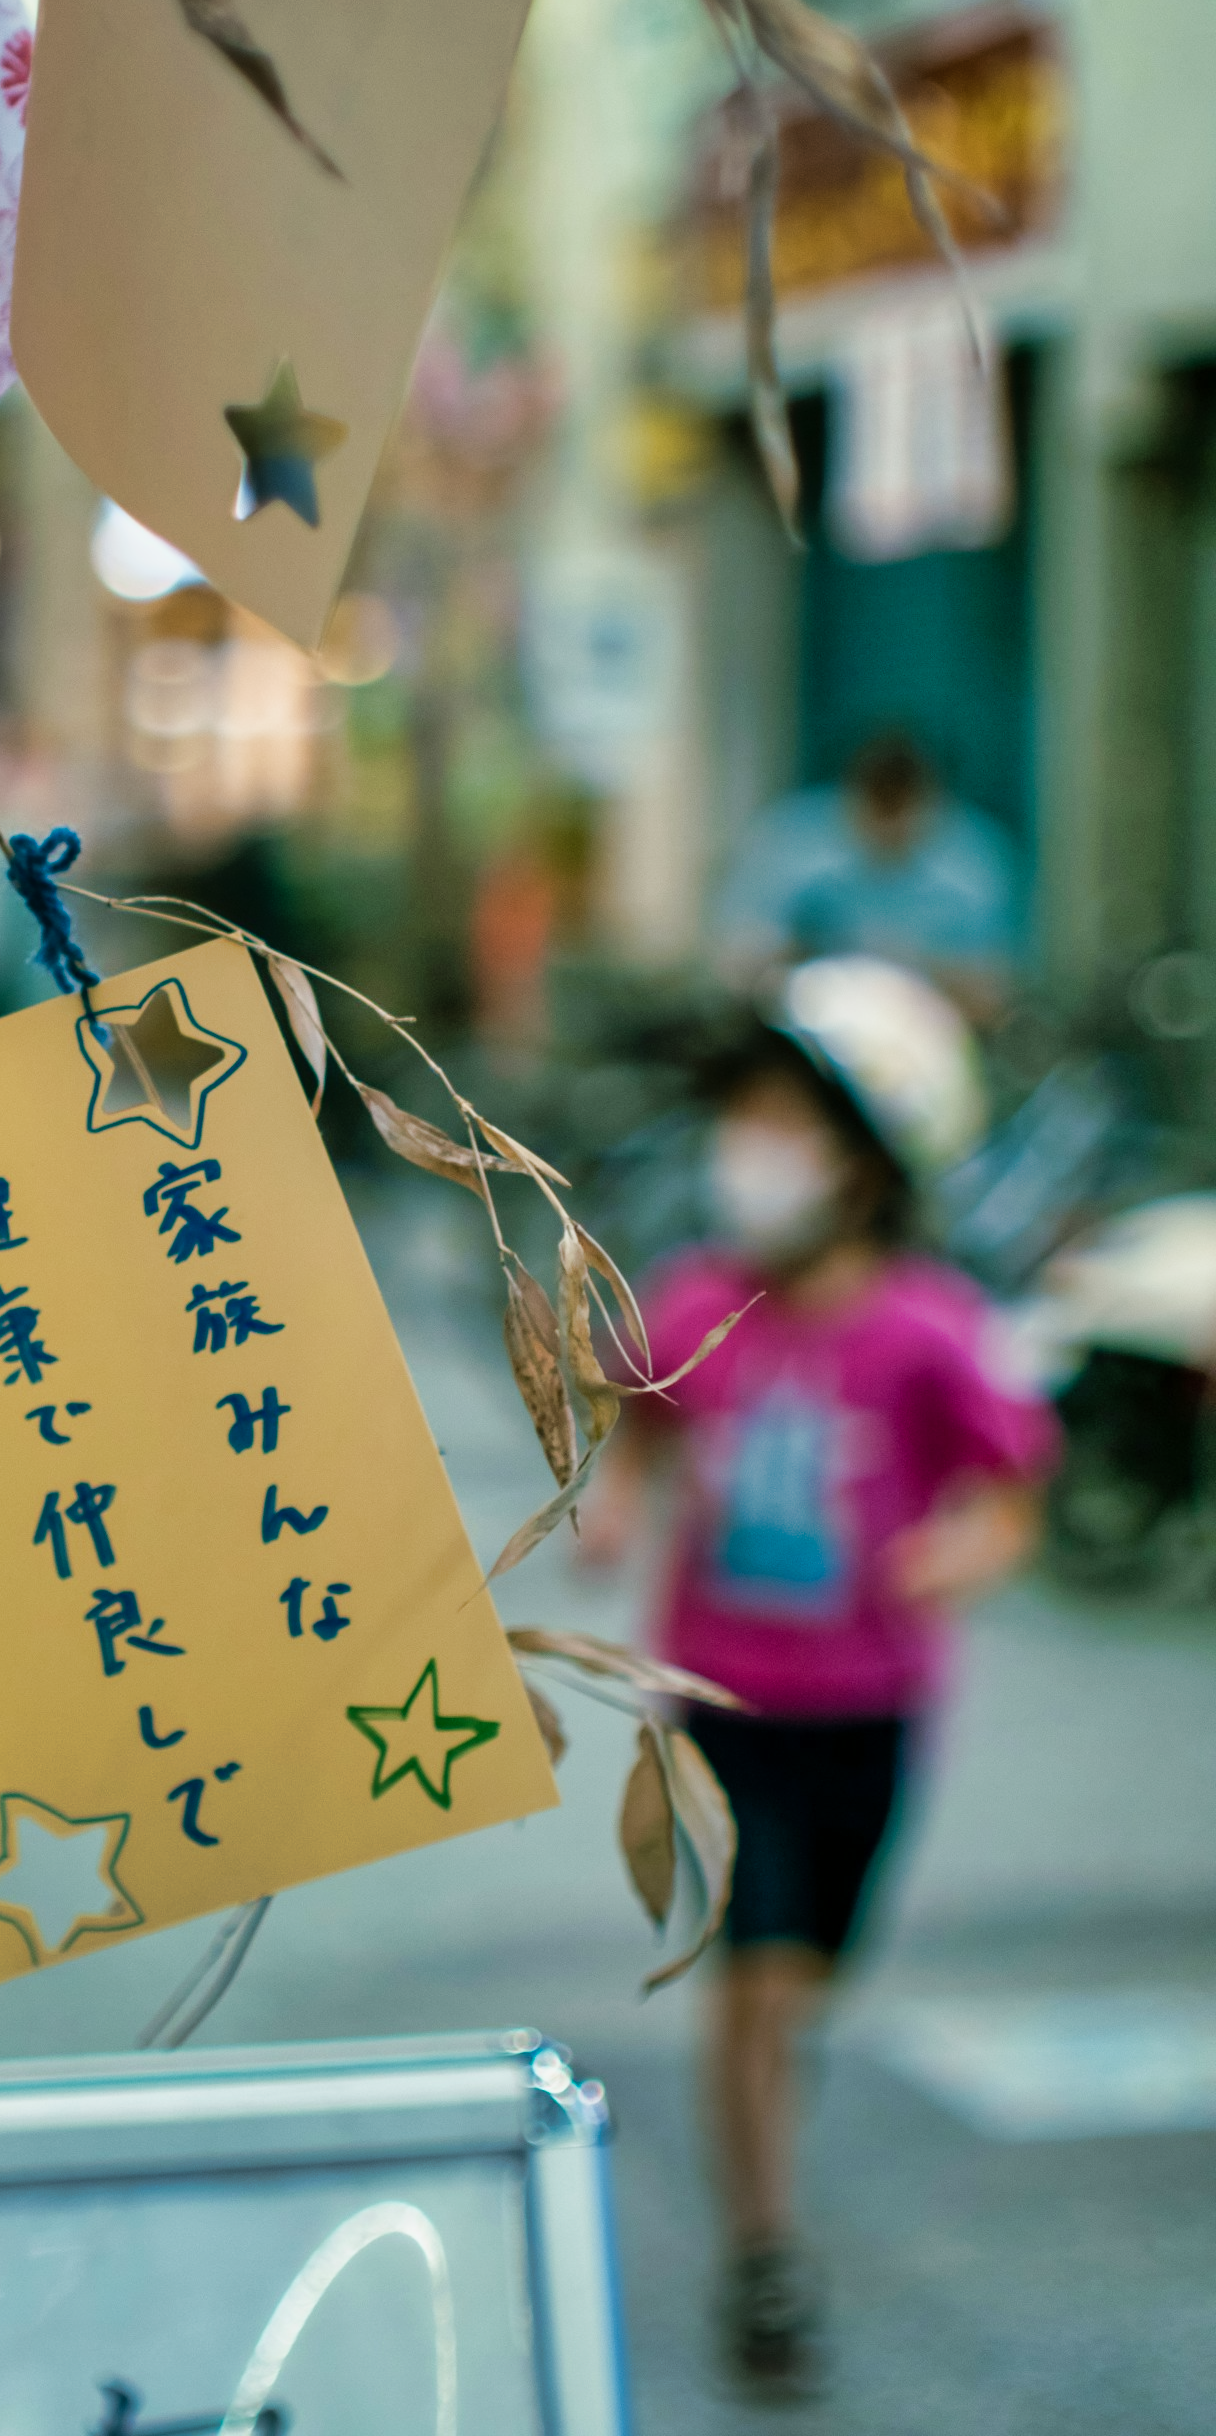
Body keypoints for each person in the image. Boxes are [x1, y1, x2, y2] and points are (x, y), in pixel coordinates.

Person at [581, 957, 1058, 2398]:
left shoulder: (928, 1327)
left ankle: (774, 2106)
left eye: (790, 1123)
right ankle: (767, 2253)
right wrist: (616, 1496)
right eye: (748, 1118)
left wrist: (965, 1550)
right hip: (720, 1710)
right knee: (760, 1983)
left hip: (871, 1714)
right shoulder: (695, 1300)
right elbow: (638, 1410)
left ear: (870, 1160)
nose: (753, 1153)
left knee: (809, 1976)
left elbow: (1013, 1480)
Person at [715, 732, 1020, 1018]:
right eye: (878, 803)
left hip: (931, 1025)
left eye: (901, 806)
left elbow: (994, 991)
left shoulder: (974, 864)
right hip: (814, 1018)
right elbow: (743, 963)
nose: (888, 825)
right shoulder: (791, 845)